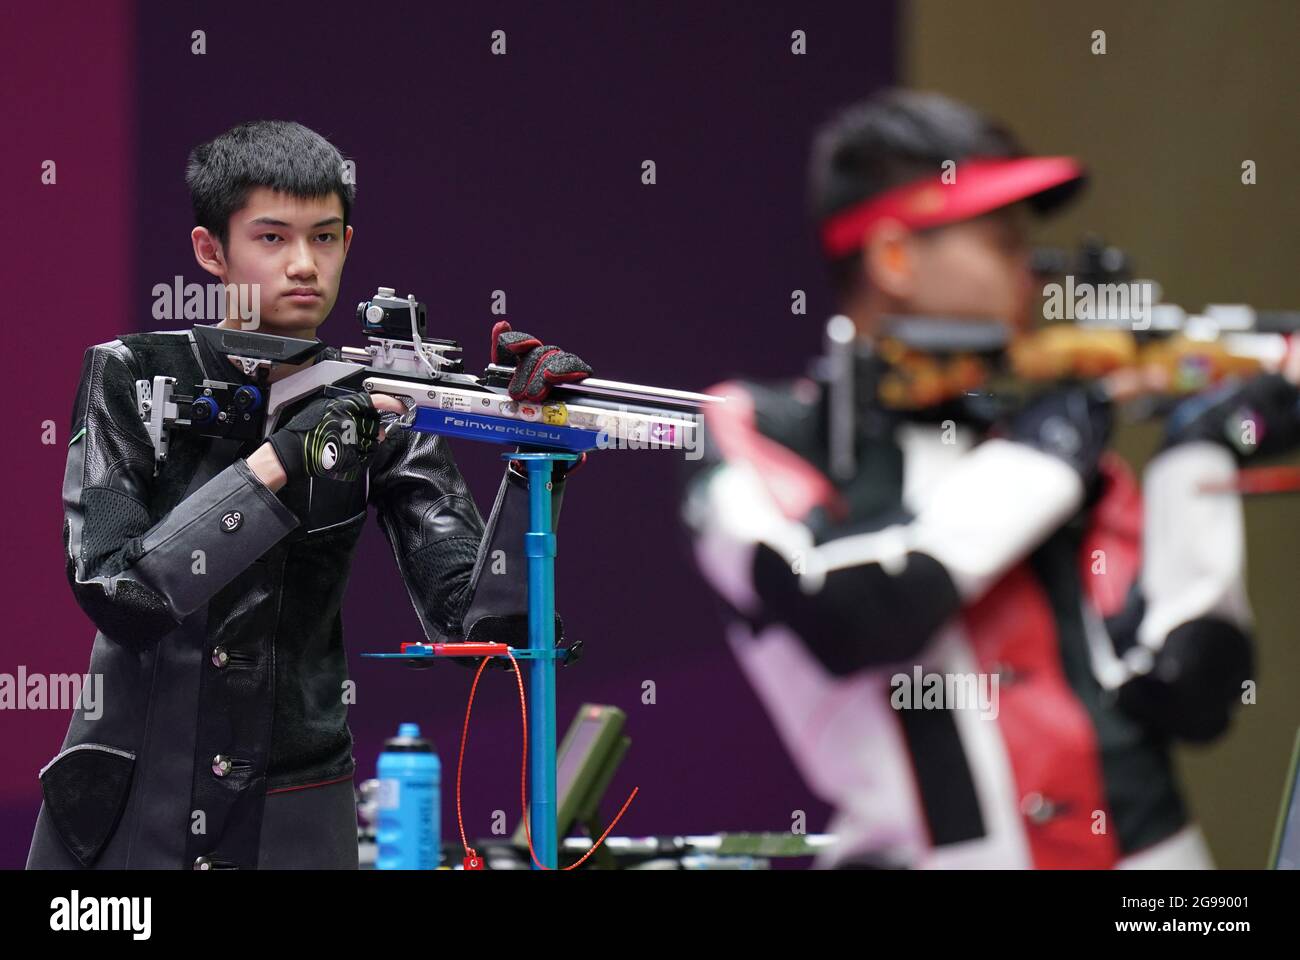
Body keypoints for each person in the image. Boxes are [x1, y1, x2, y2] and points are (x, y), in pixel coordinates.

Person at [681, 90, 1300, 868]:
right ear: (895, 258)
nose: (1032, 275)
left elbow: (1191, 694)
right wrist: (1053, 449)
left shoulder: (1052, 456)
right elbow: (851, 614)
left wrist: (1198, 456)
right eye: (1003, 240)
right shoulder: (761, 431)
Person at [27, 120, 592, 870]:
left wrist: (535, 464)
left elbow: (480, 623)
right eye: (272, 238)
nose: (303, 264)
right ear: (210, 252)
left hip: (293, 819)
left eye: (325, 238)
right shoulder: (128, 375)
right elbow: (119, 591)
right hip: (128, 813)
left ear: (348, 246)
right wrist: (280, 462)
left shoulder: (381, 404)